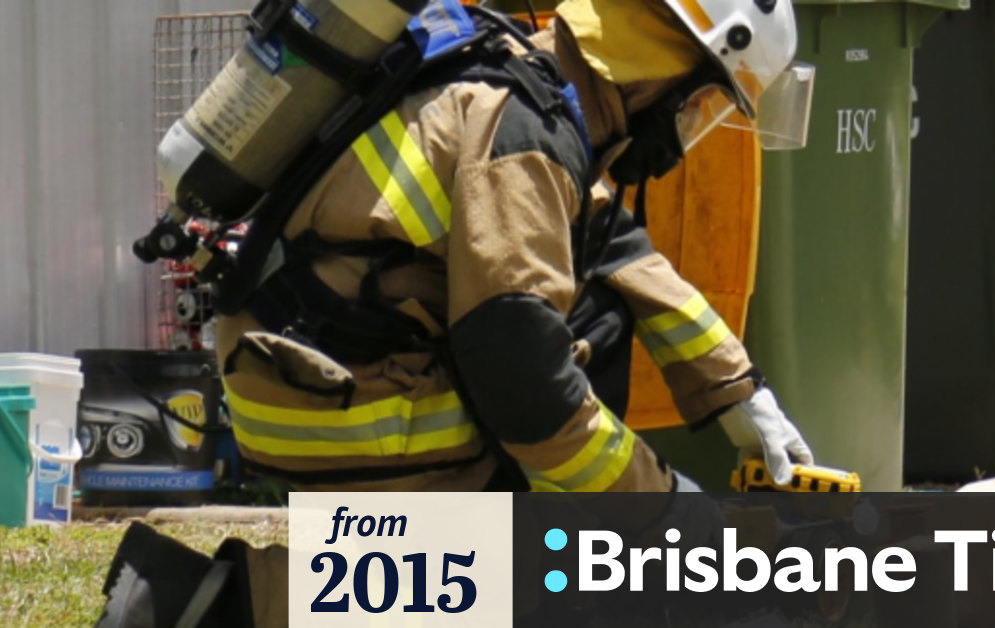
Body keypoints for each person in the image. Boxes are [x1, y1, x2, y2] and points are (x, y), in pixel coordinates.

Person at [217, 0, 814, 495]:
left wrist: (737, 390)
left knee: (594, 300)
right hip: (343, 413)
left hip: (300, 378)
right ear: (659, 65)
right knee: (569, 342)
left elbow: (614, 246)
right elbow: (527, 387)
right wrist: (661, 507)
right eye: (701, 102)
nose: (691, 126)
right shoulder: (526, 137)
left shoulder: (518, 69)